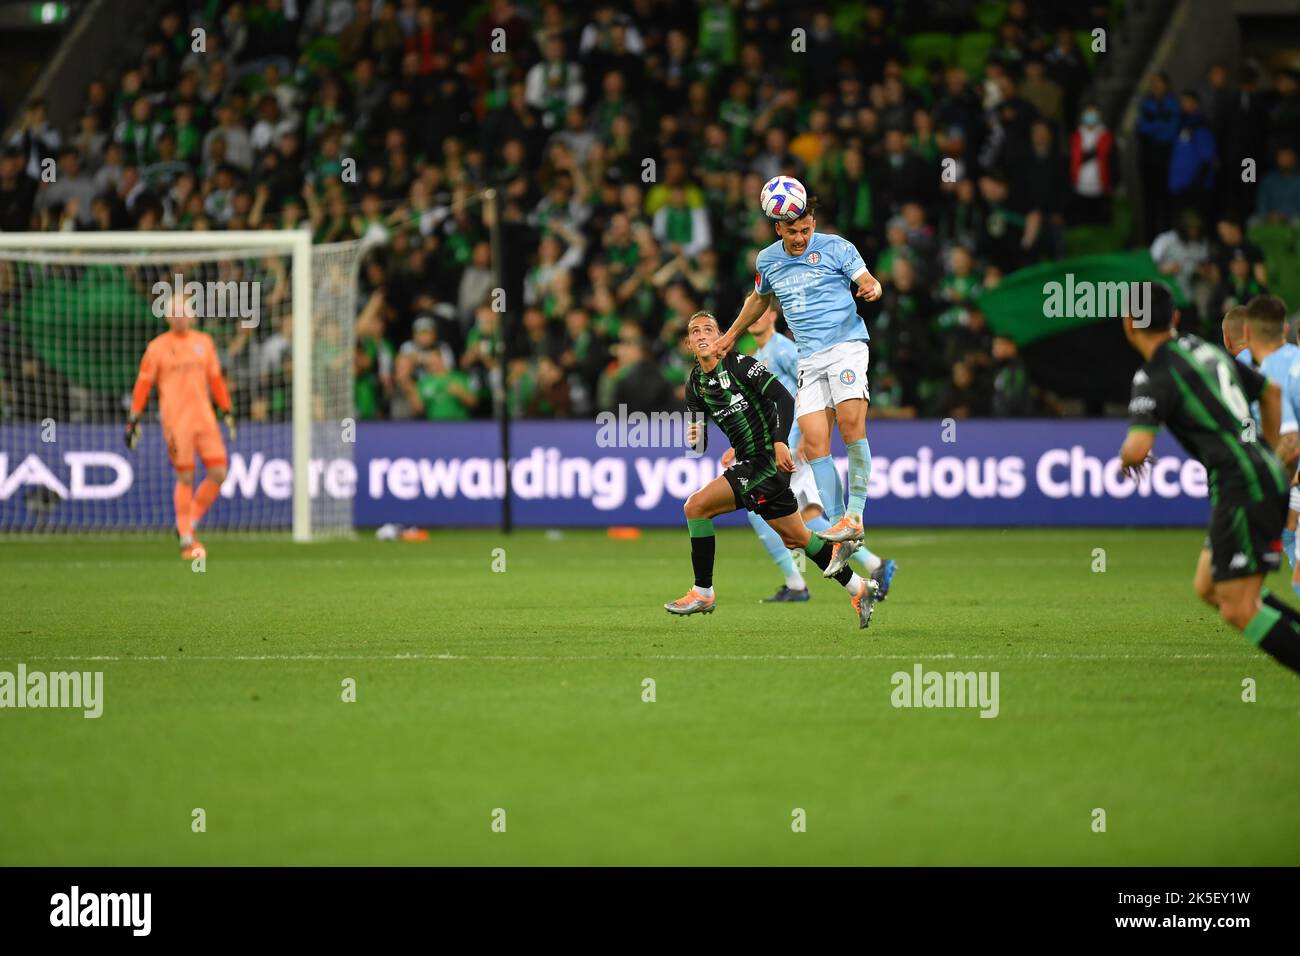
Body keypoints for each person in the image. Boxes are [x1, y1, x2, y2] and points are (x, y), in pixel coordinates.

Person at [1118, 285, 1300, 674]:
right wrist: (1268, 453)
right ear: (1174, 318)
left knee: (1238, 608)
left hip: (1243, 484)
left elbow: (1136, 449)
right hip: (1252, 477)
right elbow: (1270, 392)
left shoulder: (1153, 374)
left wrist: (1125, 458)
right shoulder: (1205, 349)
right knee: (1208, 586)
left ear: (1129, 324)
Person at [665, 312, 879, 628]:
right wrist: (695, 437)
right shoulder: (694, 386)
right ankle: (860, 587)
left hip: (765, 462)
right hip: (751, 464)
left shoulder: (741, 365)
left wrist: (780, 442)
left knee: (695, 507)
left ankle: (703, 592)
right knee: (798, 537)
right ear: (688, 344)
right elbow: (698, 445)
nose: (701, 335)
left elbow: (783, 398)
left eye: (708, 329)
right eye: (695, 331)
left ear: (721, 336)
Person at [711, 199, 884, 583]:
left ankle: (855, 513)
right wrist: (731, 335)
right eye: (792, 232)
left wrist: (871, 286)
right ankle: (841, 529)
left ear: (813, 223)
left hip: (846, 347)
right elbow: (759, 299)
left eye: (806, 229)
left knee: (851, 427)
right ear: (778, 229)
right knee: (816, 443)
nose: (801, 237)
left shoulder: (837, 247)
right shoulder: (768, 260)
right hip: (810, 357)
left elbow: (866, 279)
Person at [125, 292, 236, 559]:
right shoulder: (157, 348)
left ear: (192, 315)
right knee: (186, 476)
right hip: (176, 423)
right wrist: (134, 418)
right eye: (174, 312)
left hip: (205, 419)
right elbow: (143, 385)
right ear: (166, 317)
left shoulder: (204, 343)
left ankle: (189, 520)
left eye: (184, 311)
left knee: (219, 472)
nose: (180, 316)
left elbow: (216, 380)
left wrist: (227, 409)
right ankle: (187, 538)